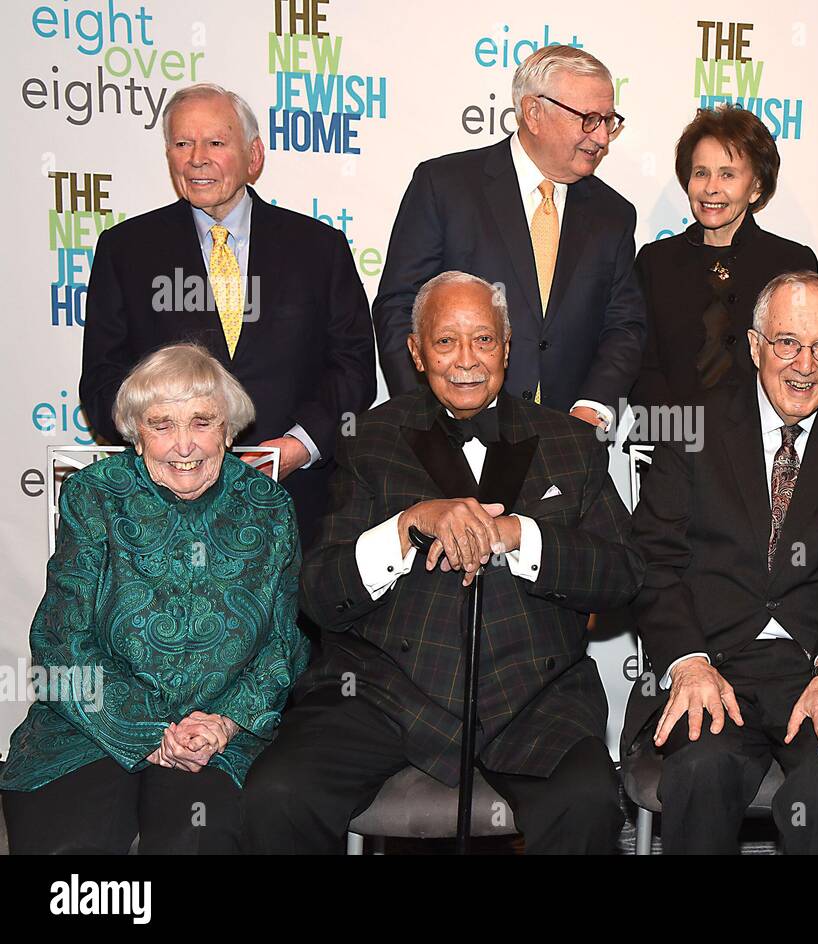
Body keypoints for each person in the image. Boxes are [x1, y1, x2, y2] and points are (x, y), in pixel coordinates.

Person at [241, 272, 644, 854]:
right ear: (414, 351)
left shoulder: (568, 442)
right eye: (445, 342)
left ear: (507, 346)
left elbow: (622, 576)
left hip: (533, 694)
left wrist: (520, 536)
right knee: (278, 794)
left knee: (587, 801)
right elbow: (321, 594)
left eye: (483, 340)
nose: (466, 361)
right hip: (381, 694)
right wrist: (407, 527)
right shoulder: (372, 438)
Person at [625, 272, 818, 853]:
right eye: (787, 343)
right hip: (713, 662)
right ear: (755, 346)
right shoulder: (690, 425)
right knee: (704, 770)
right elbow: (653, 558)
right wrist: (689, 662)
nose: (805, 364)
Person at [0, 344, 308, 854]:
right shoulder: (94, 495)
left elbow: (282, 645)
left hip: (214, 736)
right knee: (75, 857)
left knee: (198, 840)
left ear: (229, 431)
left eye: (202, 422)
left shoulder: (267, 506)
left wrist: (224, 723)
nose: (184, 445)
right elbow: (61, 641)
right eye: (162, 424)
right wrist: (147, 731)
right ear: (136, 435)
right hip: (89, 726)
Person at [79, 82, 376, 550]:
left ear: (253, 156)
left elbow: (354, 367)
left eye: (215, 142)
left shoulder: (319, 248)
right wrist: (169, 449)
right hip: (161, 515)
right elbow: (101, 380)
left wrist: (300, 447)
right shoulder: (125, 250)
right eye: (182, 143)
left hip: (296, 507)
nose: (197, 157)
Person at [372, 46, 644, 434]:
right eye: (588, 119)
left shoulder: (613, 214)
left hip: (566, 446)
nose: (601, 137)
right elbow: (400, 307)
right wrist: (428, 411)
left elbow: (624, 326)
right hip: (453, 433)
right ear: (534, 112)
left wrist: (592, 408)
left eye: (608, 120)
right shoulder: (444, 185)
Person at [630, 105, 816, 408]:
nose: (710, 188)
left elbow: (797, 367)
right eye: (701, 173)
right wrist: (677, 438)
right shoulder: (655, 261)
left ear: (756, 187)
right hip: (671, 439)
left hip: (758, 445)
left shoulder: (792, 264)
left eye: (727, 175)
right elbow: (642, 366)